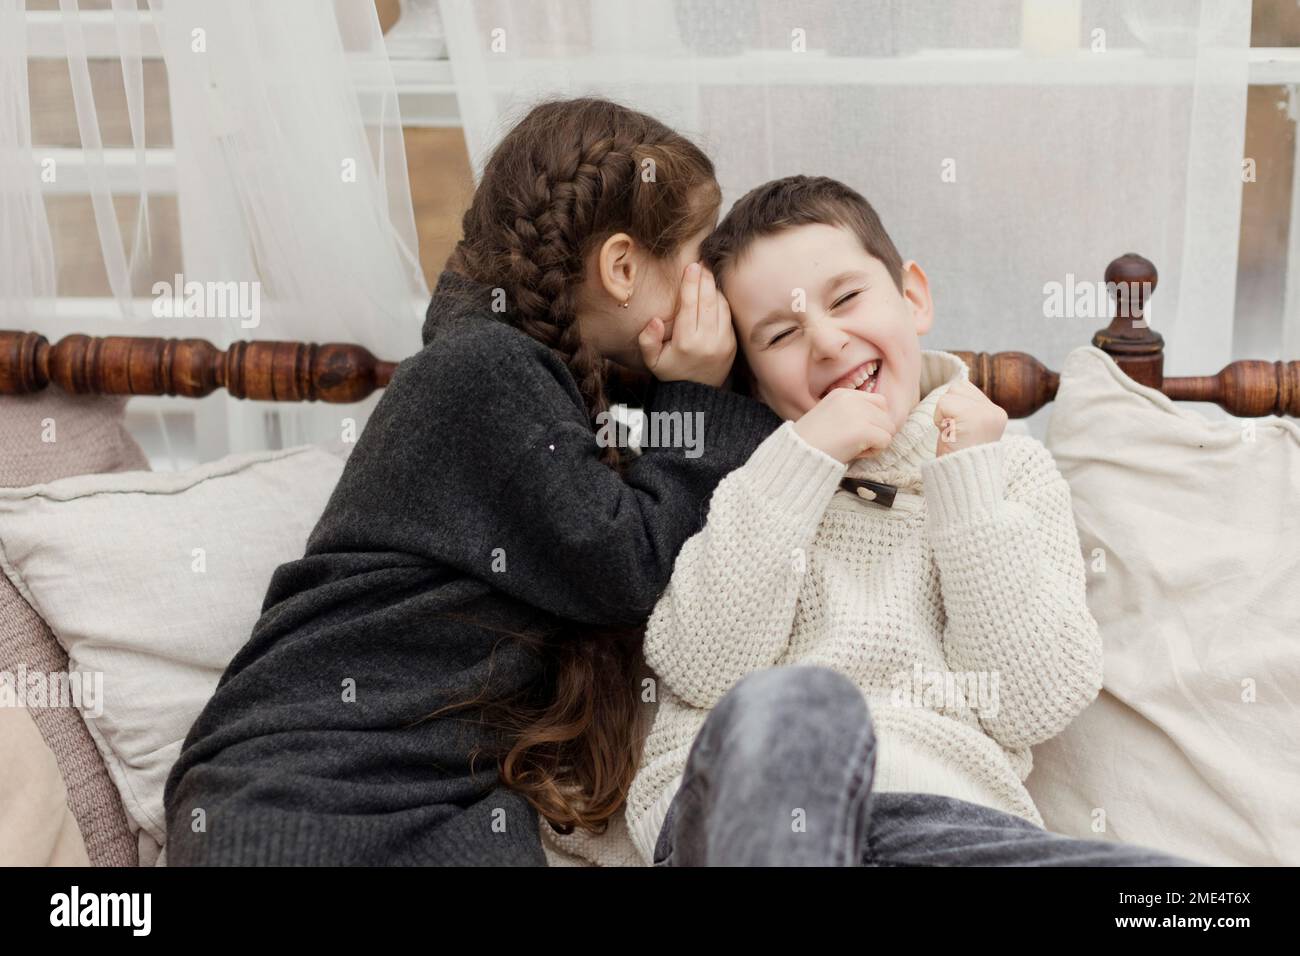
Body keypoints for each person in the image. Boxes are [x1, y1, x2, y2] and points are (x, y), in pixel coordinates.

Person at [162, 97, 783, 865]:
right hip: (306, 782)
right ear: (622, 267)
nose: (709, 301)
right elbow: (633, 570)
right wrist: (699, 397)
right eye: (699, 264)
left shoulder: (523, 379)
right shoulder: (479, 372)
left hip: (438, 791)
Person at [619, 175, 1203, 867]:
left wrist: (966, 483)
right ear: (753, 380)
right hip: (752, 817)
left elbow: (1030, 703)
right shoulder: (743, 474)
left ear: (914, 297)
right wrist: (802, 459)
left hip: (946, 824)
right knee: (803, 704)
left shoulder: (1007, 471)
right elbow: (700, 663)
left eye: (846, 298)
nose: (830, 342)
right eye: (781, 334)